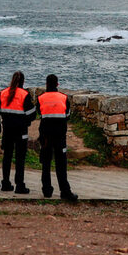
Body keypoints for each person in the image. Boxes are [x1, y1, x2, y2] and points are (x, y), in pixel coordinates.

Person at [37, 73, 77, 202]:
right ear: (57, 84)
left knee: (46, 163)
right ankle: (65, 191)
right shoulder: (64, 98)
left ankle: (47, 190)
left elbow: (39, 112)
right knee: (61, 165)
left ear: (46, 84)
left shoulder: (41, 98)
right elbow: (67, 115)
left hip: (45, 136)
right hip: (60, 135)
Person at [0, 70, 36, 194]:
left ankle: (5, 182)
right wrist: (26, 121)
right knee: (20, 158)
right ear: (23, 81)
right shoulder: (24, 95)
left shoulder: (3, 93)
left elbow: (0, 110)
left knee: (7, 156)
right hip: (21, 130)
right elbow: (31, 114)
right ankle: (19, 184)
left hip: (7, 129)